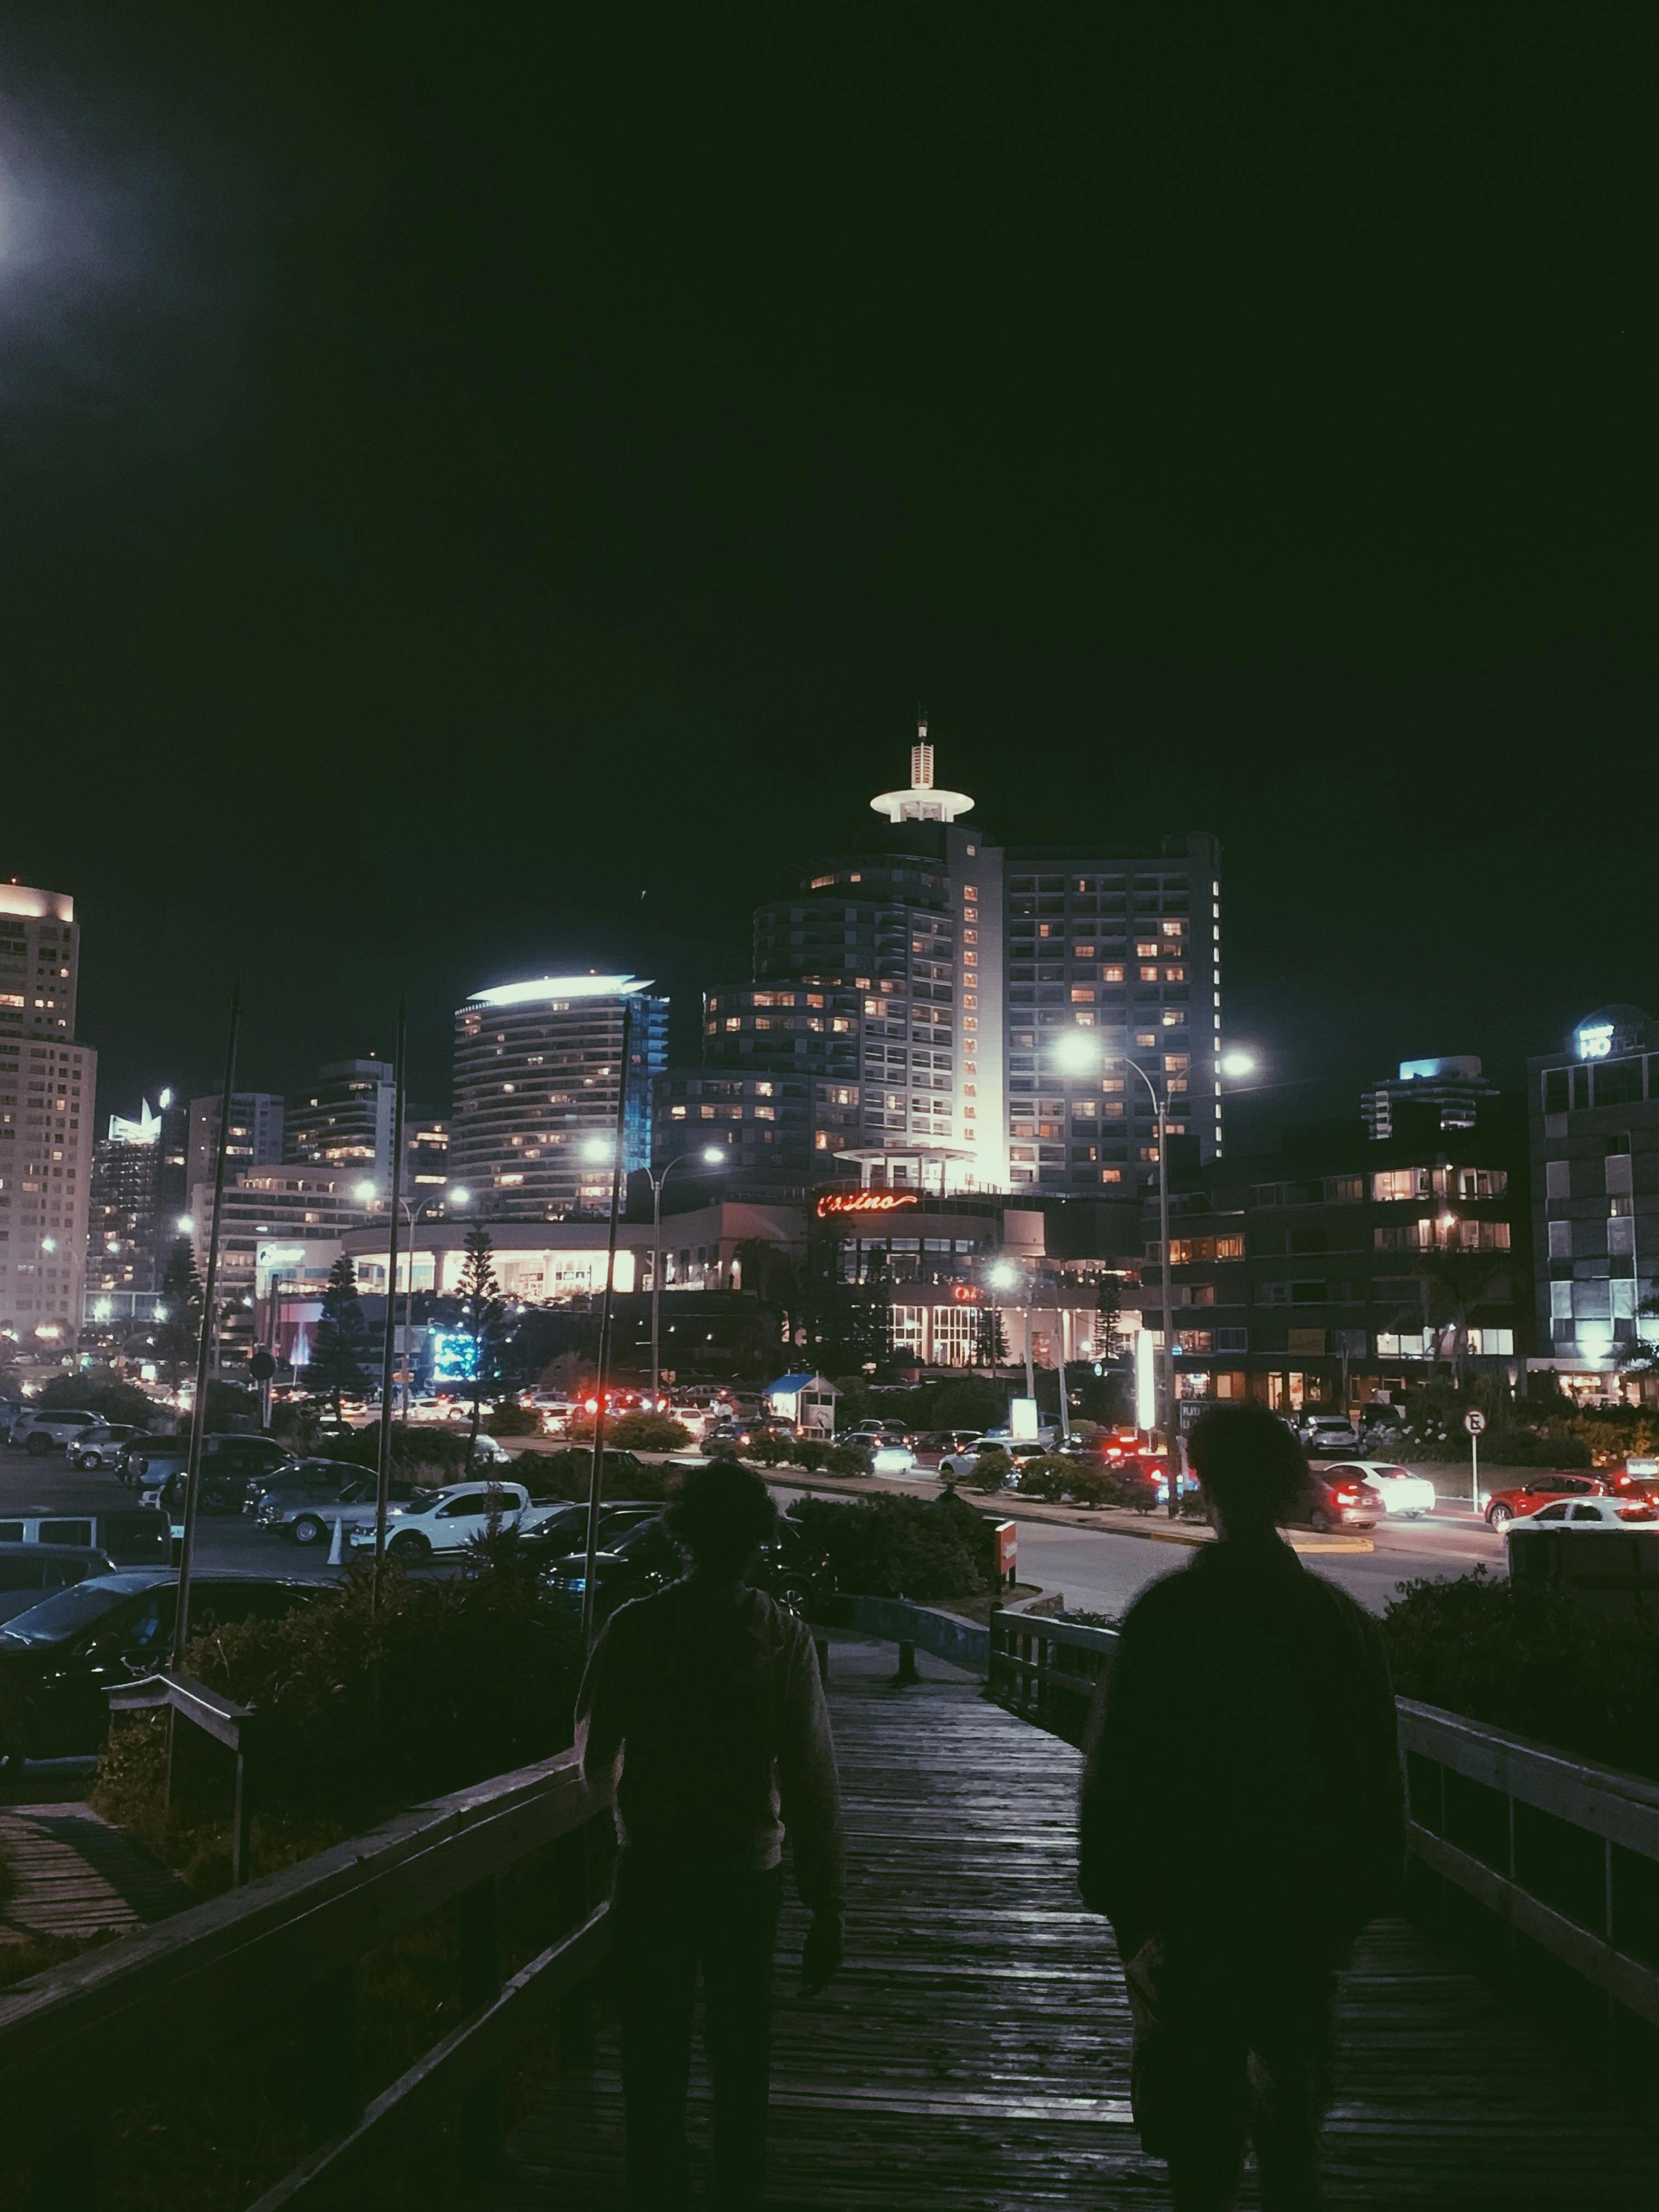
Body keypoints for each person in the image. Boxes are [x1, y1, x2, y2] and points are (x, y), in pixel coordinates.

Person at [1078, 1401, 1403, 2212]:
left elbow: (1117, 1773)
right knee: (1293, 2134)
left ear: (1201, 1482)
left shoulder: (1166, 1618)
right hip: (1301, 1914)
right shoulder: (1336, 1623)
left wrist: (1126, 1906)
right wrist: (1352, 1905)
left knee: (1199, 2141)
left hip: (1190, 1916)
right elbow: (1376, 1780)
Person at [576, 1462, 845, 2210]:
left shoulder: (636, 1627)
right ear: (758, 1543)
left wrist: (594, 1872)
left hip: (652, 1864)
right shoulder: (781, 1637)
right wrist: (828, 1906)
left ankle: (653, 2188)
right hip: (745, 1870)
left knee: (651, 2051)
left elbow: (592, 1763)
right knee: (740, 2050)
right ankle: (736, 2189)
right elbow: (812, 1778)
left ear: (681, 1536)